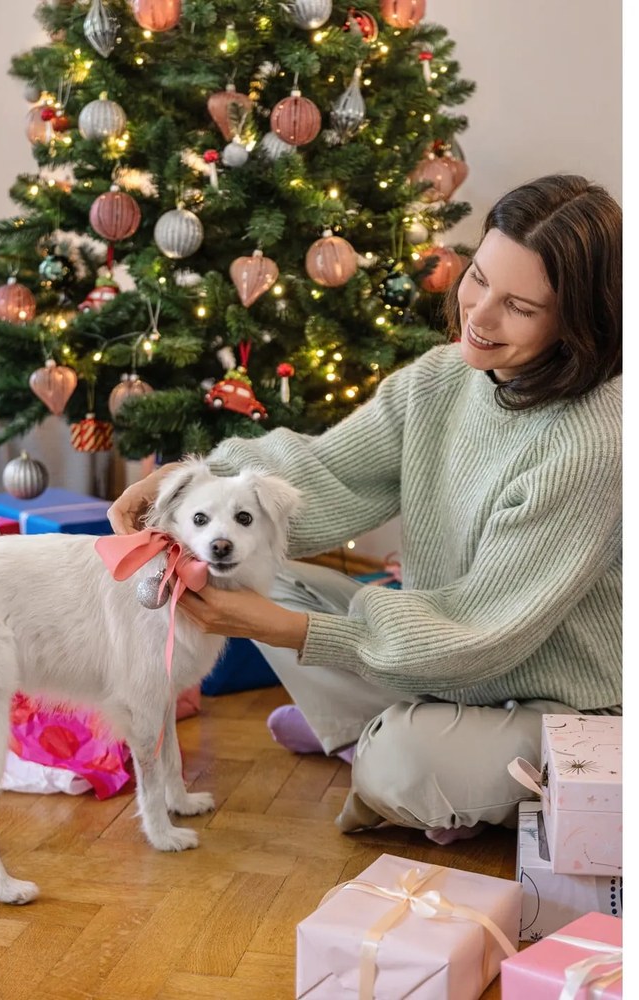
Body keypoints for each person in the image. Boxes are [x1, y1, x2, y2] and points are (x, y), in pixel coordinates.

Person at [108, 174, 622, 845]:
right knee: (261, 567)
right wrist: (195, 483)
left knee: (403, 763)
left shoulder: (591, 442)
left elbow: (484, 633)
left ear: (580, 322)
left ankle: (380, 744)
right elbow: (324, 473)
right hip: (449, 661)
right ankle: (383, 729)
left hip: (553, 697)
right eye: (478, 277)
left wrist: (300, 635)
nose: (480, 314)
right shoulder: (444, 378)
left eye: (520, 307)